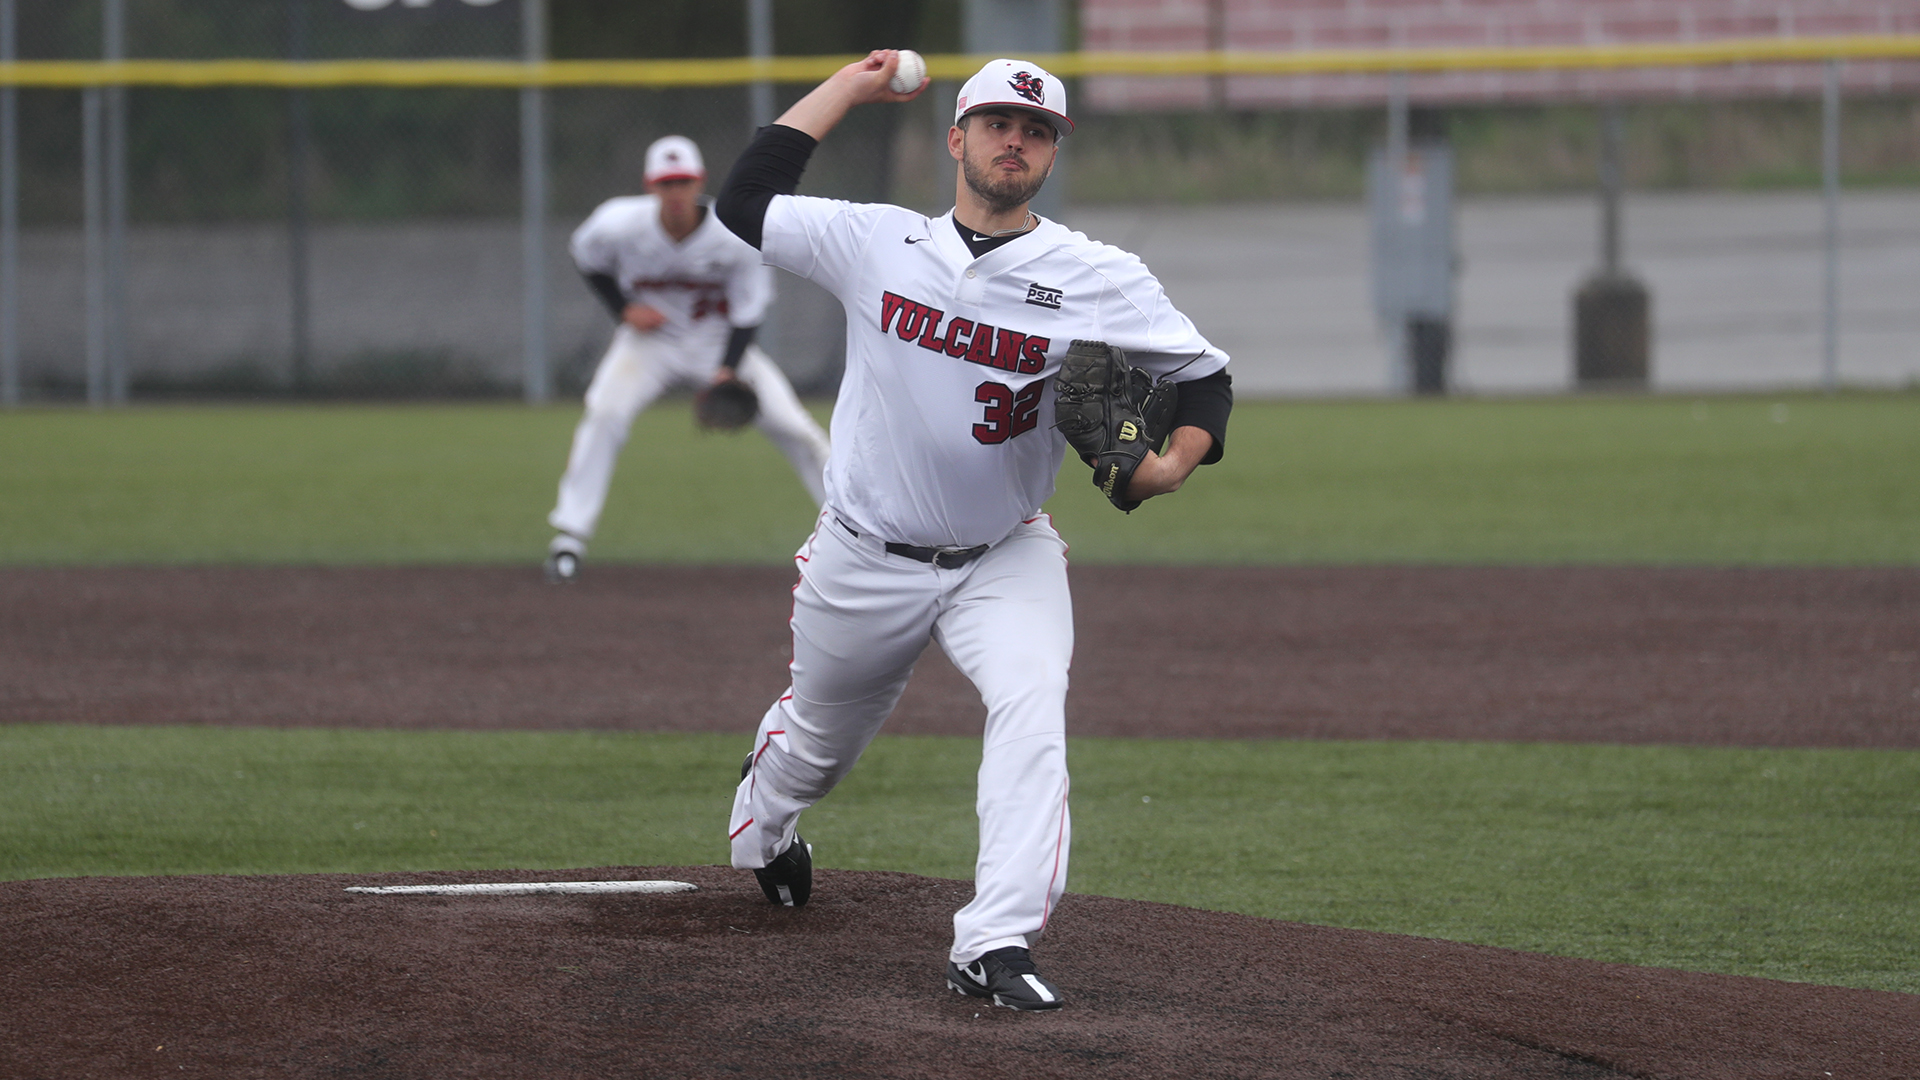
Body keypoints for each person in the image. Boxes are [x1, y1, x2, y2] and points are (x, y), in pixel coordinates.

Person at [716, 54, 1234, 1011]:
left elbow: (1206, 380)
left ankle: (991, 941)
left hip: (1005, 553)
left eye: (1035, 131)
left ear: (1051, 154)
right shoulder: (874, 240)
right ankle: (769, 816)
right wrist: (850, 87)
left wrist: (1168, 465)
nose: (1015, 141)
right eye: (997, 123)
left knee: (1033, 707)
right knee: (819, 746)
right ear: (956, 139)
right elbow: (744, 201)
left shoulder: (1098, 276)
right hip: (865, 553)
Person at [545, 135, 832, 583]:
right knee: (604, 413)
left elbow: (749, 311)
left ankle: (852, 537)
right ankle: (569, 537)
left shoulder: (733, 231)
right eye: (666, 182)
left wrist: (727, 368)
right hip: (650, 344)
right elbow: (586, 256)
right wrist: (622, 309)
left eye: (682, 181)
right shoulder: (617, 224)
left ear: (699, 181)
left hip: (719, 343)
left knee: (796, 428)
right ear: (649, 185)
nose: (675, 191)